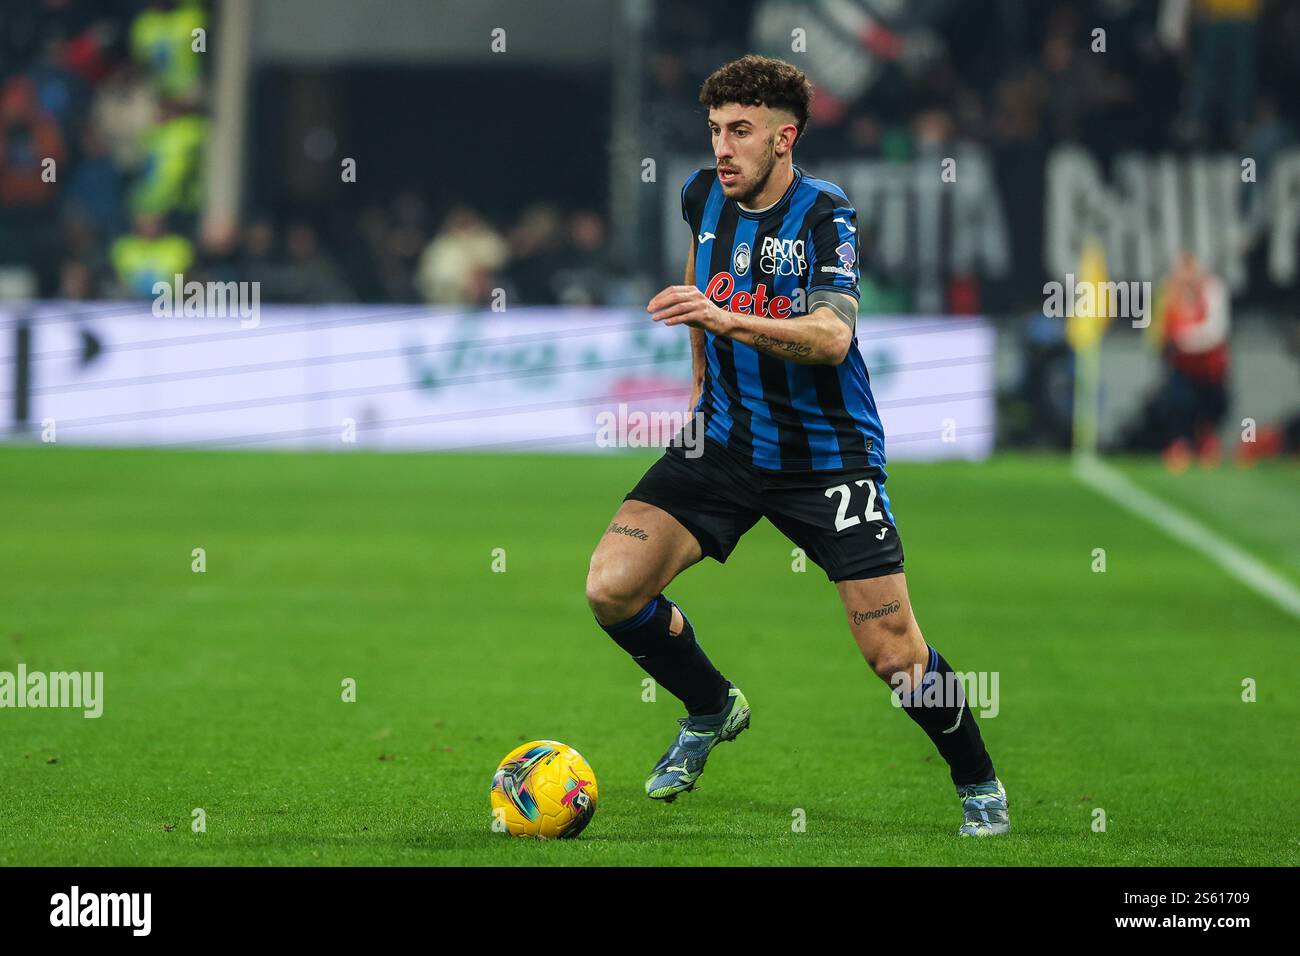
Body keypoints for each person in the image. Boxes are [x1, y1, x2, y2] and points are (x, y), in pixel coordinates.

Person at [585, 55, 1008, 836]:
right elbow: (695, 285)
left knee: (894, 653)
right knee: (612, 586)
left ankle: (977, 780)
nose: (723, 147)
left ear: (785, 138)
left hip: (828, 457)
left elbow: (832, 337)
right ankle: (710, 706)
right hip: (727, 441)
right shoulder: (702, 193)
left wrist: (726, 320)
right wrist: (698, 386)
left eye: (740, 131)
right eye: (715, 130)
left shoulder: (824, 214)